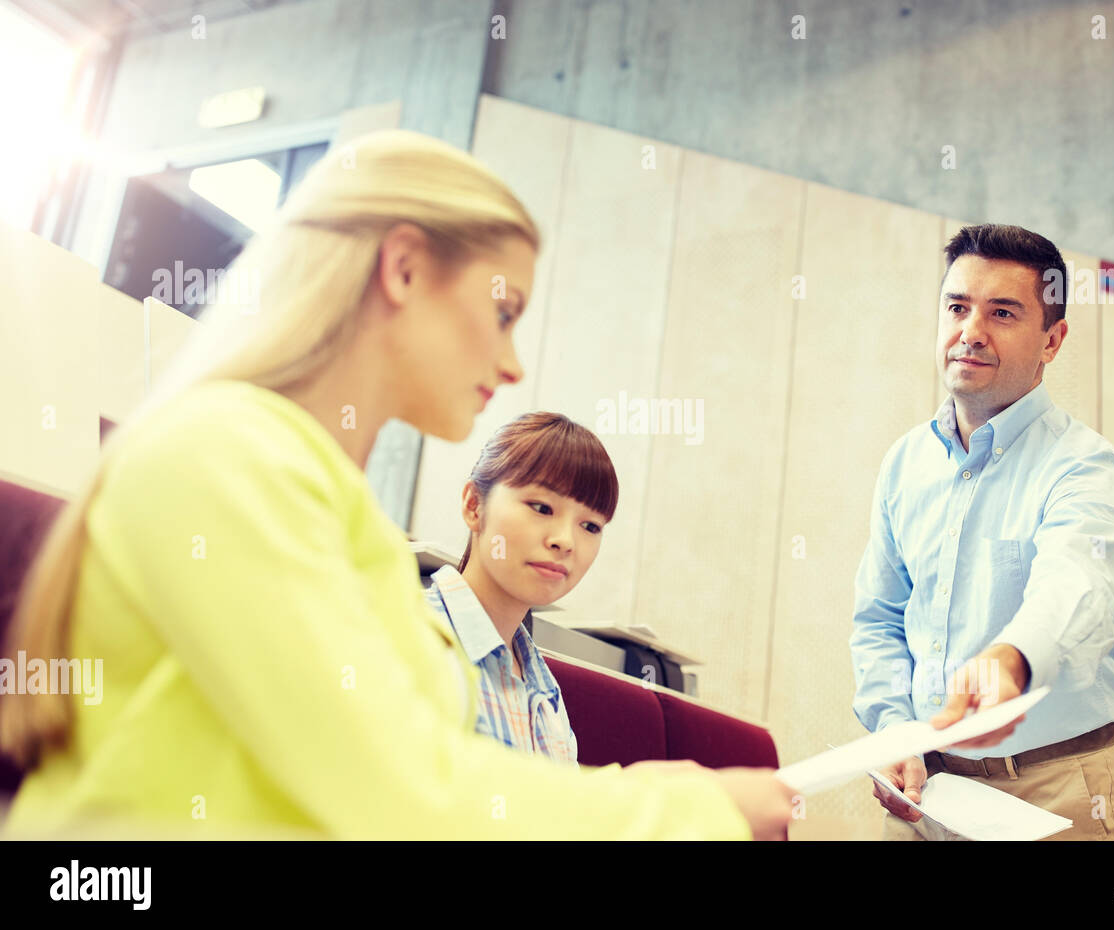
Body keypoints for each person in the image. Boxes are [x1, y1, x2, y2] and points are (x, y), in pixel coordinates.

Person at [0, 129, 794, 840]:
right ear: (405, 267)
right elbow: (401, 795)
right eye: (504, 311)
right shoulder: (223, 451)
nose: (514, 362)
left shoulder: (329, 505)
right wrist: (694, 811)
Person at [851, 223, 1114, 841]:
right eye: (957, 307)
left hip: (1055, 789)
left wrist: (1010, 662)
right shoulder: (904, 464)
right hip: (926, 791)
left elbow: (1078, 592)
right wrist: (893, 725)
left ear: (1051, 341)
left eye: (1003, 313)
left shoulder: (1086, 467)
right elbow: (878, 620)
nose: (970, 332)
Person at [425, 411, 617, 763]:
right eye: (542, 507)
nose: (565, 541)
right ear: (473, 505)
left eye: (590, 526)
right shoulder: (413, 635)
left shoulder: (545, 690)